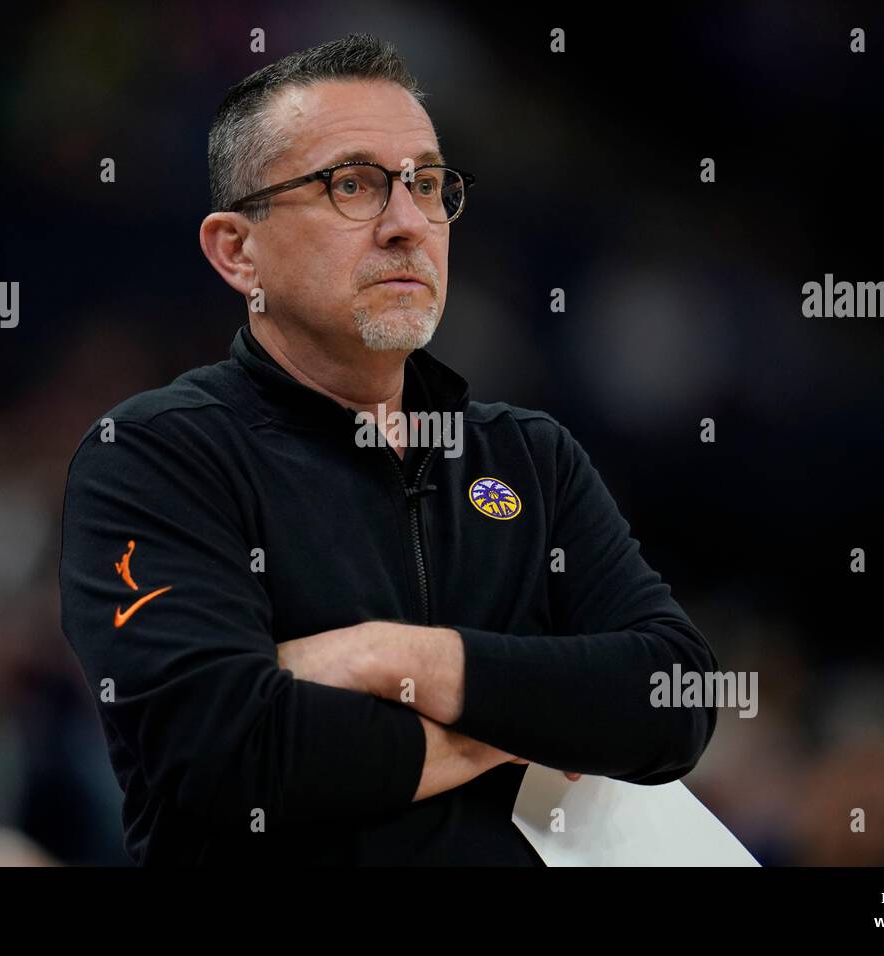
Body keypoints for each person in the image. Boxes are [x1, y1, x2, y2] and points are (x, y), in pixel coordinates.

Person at [58, 33, 717, 865]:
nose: (410, 224)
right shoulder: (155, 457)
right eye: (354, 185)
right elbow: (230, 751)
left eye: (429, 187)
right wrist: (533, 721)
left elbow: (674, 696)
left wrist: (396, 657)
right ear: (237, 250)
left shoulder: (528, 458)